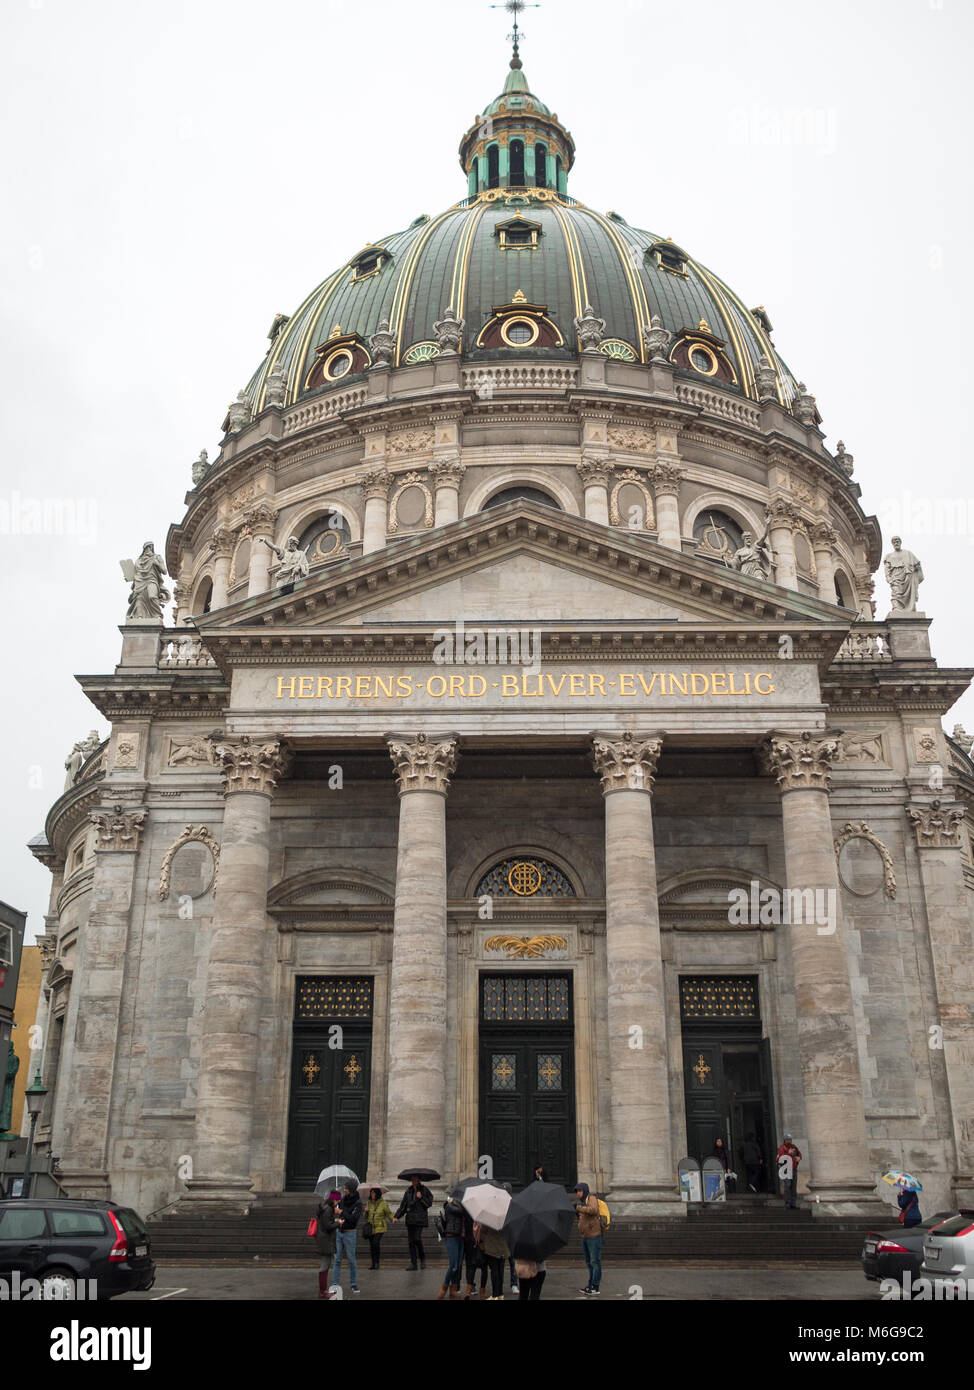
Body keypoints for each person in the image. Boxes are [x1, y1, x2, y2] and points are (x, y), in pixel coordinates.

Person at [395, 1175, 434, 1270]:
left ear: (419, 1180)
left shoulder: (424, 1190)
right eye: (412, 1179)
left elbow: (429, 1203)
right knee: (411, 1242)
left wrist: (421, 1198)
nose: (413, 1181)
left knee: (417, 1238)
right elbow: (403, 1205)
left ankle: (422, 1257)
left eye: (415, 1179)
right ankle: (414, 1264)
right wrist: (397, 1216)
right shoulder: (408, 1191)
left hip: (420, 1218)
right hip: (410, 1219)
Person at [333, 1180, 362, 1294]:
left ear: (351, 1189)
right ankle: (335, 1283)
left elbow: (353, 1219)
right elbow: (334, 1203)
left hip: (350, 1233)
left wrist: (341, 1211)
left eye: (346, 1188)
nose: (344, 1190)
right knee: (337, 1259)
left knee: (351, 1260)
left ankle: (353, 1284)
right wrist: (334, 1193)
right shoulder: (344, 1199)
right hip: (339, 1232)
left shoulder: (358, 1203)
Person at [575, 1182, 603, 1295]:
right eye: (577, 1191)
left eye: (580, 1191)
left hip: (594, 1236)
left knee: (595, 1261)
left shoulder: (591, 1198)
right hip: (585, 1236)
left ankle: (595, 1286)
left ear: (585, 1191)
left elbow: (593, 1210)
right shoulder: (582, 1203)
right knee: (589, 1262)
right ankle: (590, 1285)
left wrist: (578, 1208)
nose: (578, 1193)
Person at [313, 1191, 340, 1300]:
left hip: (324, 1240)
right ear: (333, 1200)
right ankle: (322, 1292)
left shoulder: (325, 1208)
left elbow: (326, 1223)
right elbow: (328, 1226)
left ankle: (323, 1291)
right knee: (325, 1264)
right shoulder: (328, 1209)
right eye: (337, 1200)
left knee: (326, 1264)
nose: (338, 1202)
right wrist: (339, 1223)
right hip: (325, 1241)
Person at [437, 1196, 465, 1300]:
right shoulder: (450, 1206)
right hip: (451, 1236)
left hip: (461, 1237)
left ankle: (453, 1291)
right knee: (453, 1265)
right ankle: (444, 1288)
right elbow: (460, 1211)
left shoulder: (461, 1206)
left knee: (458, 1266)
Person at [475, 1220, 510, 1300]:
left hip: (492, 1249)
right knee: (501, 1271)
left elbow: (483, 1234)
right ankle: (500, 1294)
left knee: (494, 1271)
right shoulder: (505, 1218)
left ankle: (495, 1295)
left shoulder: (489, 1220)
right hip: (503, 1248)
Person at [364, 1187, 395, 1269]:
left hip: (380, 1227)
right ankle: (373, 1263)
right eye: (371, 1193)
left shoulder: (383, 1203)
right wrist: (366, 1211)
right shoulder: (369, 1203)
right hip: (371, 1227)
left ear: (378, 1194)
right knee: (372, 1245)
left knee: (375, 1243)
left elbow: (388, 1213)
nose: (372, 1195)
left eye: (374, 1193)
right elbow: (365, 1217)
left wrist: (393, 1219)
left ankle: (377, 1262)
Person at [777, 1134, 803, 1209]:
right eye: (787, 1139)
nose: (789, 1141)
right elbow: (781, 1157)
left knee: (793, 1187)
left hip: (794, 1168)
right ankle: (787, 1203)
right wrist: (788, 1153)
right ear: (784, 1140)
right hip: (786, 1169)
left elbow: (799, 1153)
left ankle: (793, 1203)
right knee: (787, 1186)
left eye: (790, 1139)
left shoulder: (794, 1146)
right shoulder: (782, 1147)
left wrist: (799, 1157)